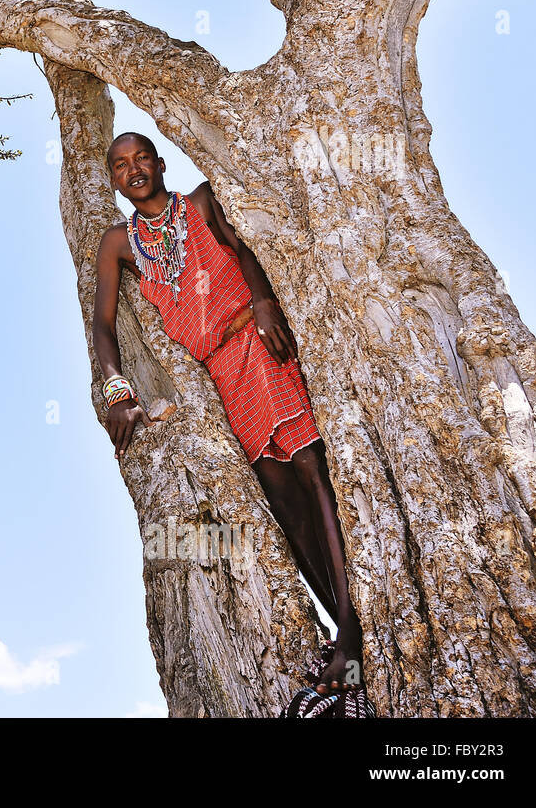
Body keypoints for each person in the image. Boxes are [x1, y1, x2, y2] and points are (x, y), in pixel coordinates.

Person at [91, 131, 363, 697]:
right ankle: (339, 619)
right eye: (121, 165)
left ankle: (353, 633)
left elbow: (243, 249)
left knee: (314, 474)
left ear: (160, 163)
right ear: (114, 179)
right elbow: (104, 324)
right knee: (284, 506)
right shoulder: (119, 244)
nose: (134, 169)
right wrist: (116, 389)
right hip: (220, 374)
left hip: (259, 345)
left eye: (143, 158)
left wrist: (264, 300)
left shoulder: (201, 202)